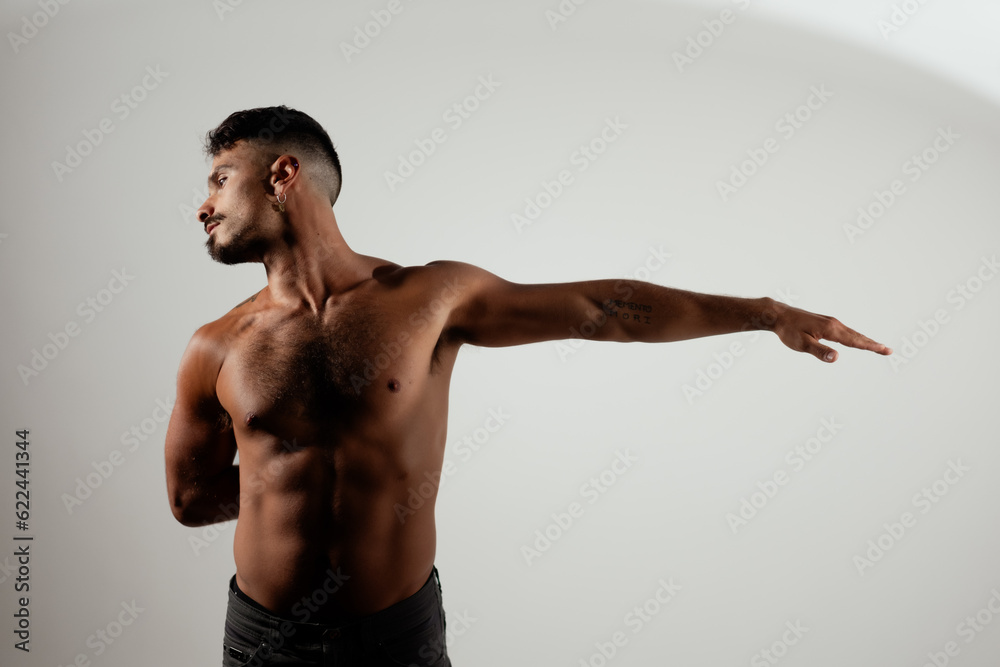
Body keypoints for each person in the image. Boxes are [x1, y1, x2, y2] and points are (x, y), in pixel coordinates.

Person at [164, 105, 892, 667]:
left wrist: (763, 314)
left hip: (396, 634)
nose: (203, 205)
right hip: (266, 639)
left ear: (283, 174)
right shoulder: (215, 345)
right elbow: (190, 499)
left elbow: (601, 311)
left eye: (218, 179)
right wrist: (281, 488)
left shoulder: (428, 298)